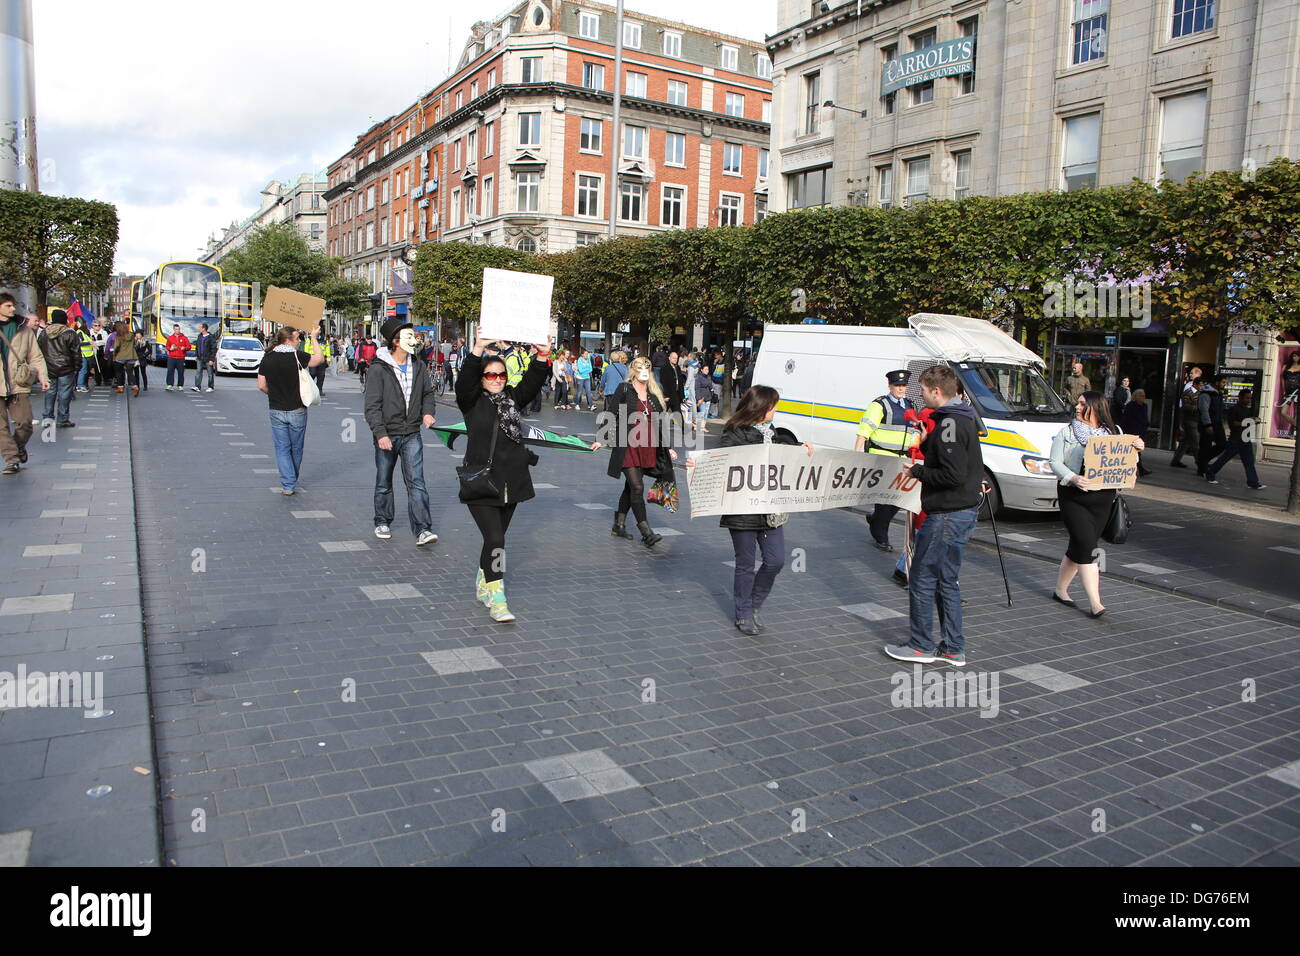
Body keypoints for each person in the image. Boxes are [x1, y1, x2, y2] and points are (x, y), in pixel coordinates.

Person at [690, 385, 814, 636]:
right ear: (761, 407)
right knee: (745, 564)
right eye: (773, 406)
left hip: (771, 510)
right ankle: (744, 613)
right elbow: (723, 460)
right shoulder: (735, 432)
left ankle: (754, 603)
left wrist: (802, 450)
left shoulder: (774, 432)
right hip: (743, 509)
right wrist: (700, 465)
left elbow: (785, 457)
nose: (776, 410)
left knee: (776, 561)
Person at [883, 365, 984, 667]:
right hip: (960, 511)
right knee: (946, 580)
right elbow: (959, 461)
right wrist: (929, 442)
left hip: (947, 514)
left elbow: (951, 473)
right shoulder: (962, 417)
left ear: (936, 391)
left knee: (924, 578)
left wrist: (918, 471)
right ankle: (953, 648)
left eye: (924, 390)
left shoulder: (951, 422)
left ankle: (921, 645)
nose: (921, 394)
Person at [455, 335, 551, 623]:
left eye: (501, 374)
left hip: (512, 482)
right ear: (482, 378)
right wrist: (477, 350)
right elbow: (463, 382)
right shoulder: (471, 402)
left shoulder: (511, 400)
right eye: (490, 375)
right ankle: (498, 598)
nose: (496, 379)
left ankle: (485, 578)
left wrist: (543, 356)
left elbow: (532, 383)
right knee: (496, 539)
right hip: (482, 482)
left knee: (495, 540)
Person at [1048, 391, 1142, 619]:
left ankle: (1060, 590)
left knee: (1078, 546)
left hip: (1102, 500)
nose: (1077, 407)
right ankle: (1095, 603)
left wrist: (1136, 447)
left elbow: (1128, 460)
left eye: (1082, 404)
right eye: (1077, 403)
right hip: (1074, 497)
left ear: (1095, 407)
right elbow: (1054, 462)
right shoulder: (1067, 432)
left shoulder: (1114, 433)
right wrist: (1073, 477)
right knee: (1088, 547)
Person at [364, 317, 439, 545]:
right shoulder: (379, 369)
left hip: (412, 433)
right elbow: (372, 406)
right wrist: (380, 434)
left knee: (417, 481)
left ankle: (423, 529)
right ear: (395, 341)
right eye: (409, 336)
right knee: (384, 480)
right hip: (388, 433)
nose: (415, 339)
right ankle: (382, 520)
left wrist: (427, 412)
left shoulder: (419, 366)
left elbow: (427, 393)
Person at [605, 355, 679, 547]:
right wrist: (601, 439)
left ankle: (619, 524)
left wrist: (668, 447)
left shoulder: (654, 396)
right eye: (640, 368)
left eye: (647, 368)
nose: (643, 372)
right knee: (637, 487)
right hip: (628, 446)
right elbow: (611, 414)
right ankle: (646, 532)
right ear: (634, 371)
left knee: (631, 487)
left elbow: (660, 424)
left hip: (648, 447)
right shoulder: (624, 389)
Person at [854, 369, 919, 552]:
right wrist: (856, 455)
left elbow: (915, 432)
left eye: (903, 385)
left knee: (899, 499)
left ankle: (876, 520)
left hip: (903, 460)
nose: (901, 389)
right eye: (897, 385)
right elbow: (864, 430)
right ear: (889, 386)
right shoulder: (879, 405)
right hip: (881, 458)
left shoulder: (910, 404)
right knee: (883, 500)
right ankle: (881, 535)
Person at [257, 327, 325, 495]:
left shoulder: (268, 358)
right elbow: (319, 359)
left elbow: (261, 385)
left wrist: (273, 394)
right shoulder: (297, 356)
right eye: (297, 338)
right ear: (287, 340)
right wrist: (314, 338)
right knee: (296, 447)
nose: (299, 340)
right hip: (297, 409)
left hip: (276, 409)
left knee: (281, 448)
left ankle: (288, 483)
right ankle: (291, 478)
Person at [1, 293, 51, 474]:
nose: (13, 309)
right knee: (1, 428)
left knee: (26, 422)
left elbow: (35, 356)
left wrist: (43, 377)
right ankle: (11, 459)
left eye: (13, 305)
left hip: (18, 383)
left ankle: (17, 447)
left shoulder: (22, 329)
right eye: (8, 306)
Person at [1206, 388, 1265, 490]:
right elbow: (1233, 423)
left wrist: (1253, 420)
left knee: (1249, 462)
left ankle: (1253, 482)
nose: (1248, 400)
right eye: (1247, 398)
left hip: (1245, 439)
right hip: (1236, 439)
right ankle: (1210, 473)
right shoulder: (1234, 409)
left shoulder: (1247, 409)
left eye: (1249, 398)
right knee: (1225, 458)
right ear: (1240, 397)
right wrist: (1248, 422)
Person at [38, 308, 81, 428]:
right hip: (66, 368)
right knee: (65, 393)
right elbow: (76, 352)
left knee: (50, 392)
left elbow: (38, 350)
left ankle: (47, 417)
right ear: (64, 319)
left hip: (49, 367)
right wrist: (78, 366)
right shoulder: (69, 333)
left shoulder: (44, 333)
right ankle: (62, 418)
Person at [1169, 367, 1203, 468]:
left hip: (1194, 419)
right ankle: (1200, 463)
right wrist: (1198, 408)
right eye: (1200, 385)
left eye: (1192, 373)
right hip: (1189, 420)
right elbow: (1185, 406)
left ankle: (1176, 460)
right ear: (1196, 384)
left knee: (1185, 441)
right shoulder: (1188, 390)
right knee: (1196, 442)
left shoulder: (1199, 392)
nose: (1190, 375)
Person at [1195, 374, 1228, 477]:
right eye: (1223, 382)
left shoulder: (1218, 394)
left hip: (1217, 423)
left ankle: (1203, 461)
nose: (1224, 385)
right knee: (1205, 446)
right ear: (1217, 382)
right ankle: (1202, 468)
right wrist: (1208, 424)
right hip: (1208, 424)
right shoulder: (1206, 393)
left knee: (1222, 444)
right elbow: (1204, 410)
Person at [1119, 388, 1152, 477]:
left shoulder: (1144, 406)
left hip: (1141, 430)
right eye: (1141, 396)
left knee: (1137, 451)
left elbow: (1144, 418)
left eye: (1144, 396)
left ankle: (1138, 468)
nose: (1143, 397)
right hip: (1132, 430)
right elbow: (1126, 419)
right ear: (1135, 397)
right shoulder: (1130, 406)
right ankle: (1138, 469)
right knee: (1134, 451)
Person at [658, 349, 686, 434]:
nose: (675, 359)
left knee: (678, 413)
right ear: (669, 358)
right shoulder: (664, 368)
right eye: (673, 358)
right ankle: (657, 429)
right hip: (668, 395)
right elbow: (663, 382)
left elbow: (680, 382)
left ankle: (684, 430)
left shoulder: (677, 367)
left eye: (676, 358)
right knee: (662, 412)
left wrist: (682, 396)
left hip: (676, 394)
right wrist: (664, 395)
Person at [111, 321, 140, 396]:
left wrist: (114, 354)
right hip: (131, 356)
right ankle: (135, 386)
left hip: (121, 356)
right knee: (130, 373)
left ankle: (120, 387)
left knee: (119, 372)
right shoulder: (131, 335)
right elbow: (134, 345)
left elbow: (116, 347)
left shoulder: (119, 336)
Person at [691, 356, 715, 435]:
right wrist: (699, 398)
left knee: (705, 413)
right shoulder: (698, 377)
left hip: (708, 397)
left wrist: (711, 393)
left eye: (707, 369)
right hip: (701, 398)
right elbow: (697, 389)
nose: (707, 371)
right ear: (701, 370)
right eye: (705, 369)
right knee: (702, 412)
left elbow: (711, 386)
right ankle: (697, 426)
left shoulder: (708, 377)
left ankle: (702, 426)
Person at [164, 323, 190, 391]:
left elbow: (189, 346)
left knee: (181, 372)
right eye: (176, 329)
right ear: (173, 329)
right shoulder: (170, 338)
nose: (177, 330)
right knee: (170, 371)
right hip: (171, 357)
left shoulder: (184, 338)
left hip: (180, 358)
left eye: (178, 329)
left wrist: (184, 348)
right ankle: (169, 385)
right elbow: (167, 346)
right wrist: (170, 349)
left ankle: (180, 385)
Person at [192, 323, 217, 392]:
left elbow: (213, 349)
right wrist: (196, 355)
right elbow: (197, 347)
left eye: (200, 327)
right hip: (200, 357)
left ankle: (210, 387)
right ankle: (197, 386)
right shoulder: (199, 336)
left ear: (204, 329)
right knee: (198, 372)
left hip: (208, 358)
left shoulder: (211, 337)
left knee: (210, 373)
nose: (199, 329)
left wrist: (212, 359)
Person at [75, 318, 94, 392]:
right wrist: (89, 343)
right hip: (83, 354)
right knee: (83, 370)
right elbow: (78, 343)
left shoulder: (83, 333)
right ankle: (80, 386)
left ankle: (81, 385)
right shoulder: (80, 332)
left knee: (84, 370)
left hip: (86, 354)